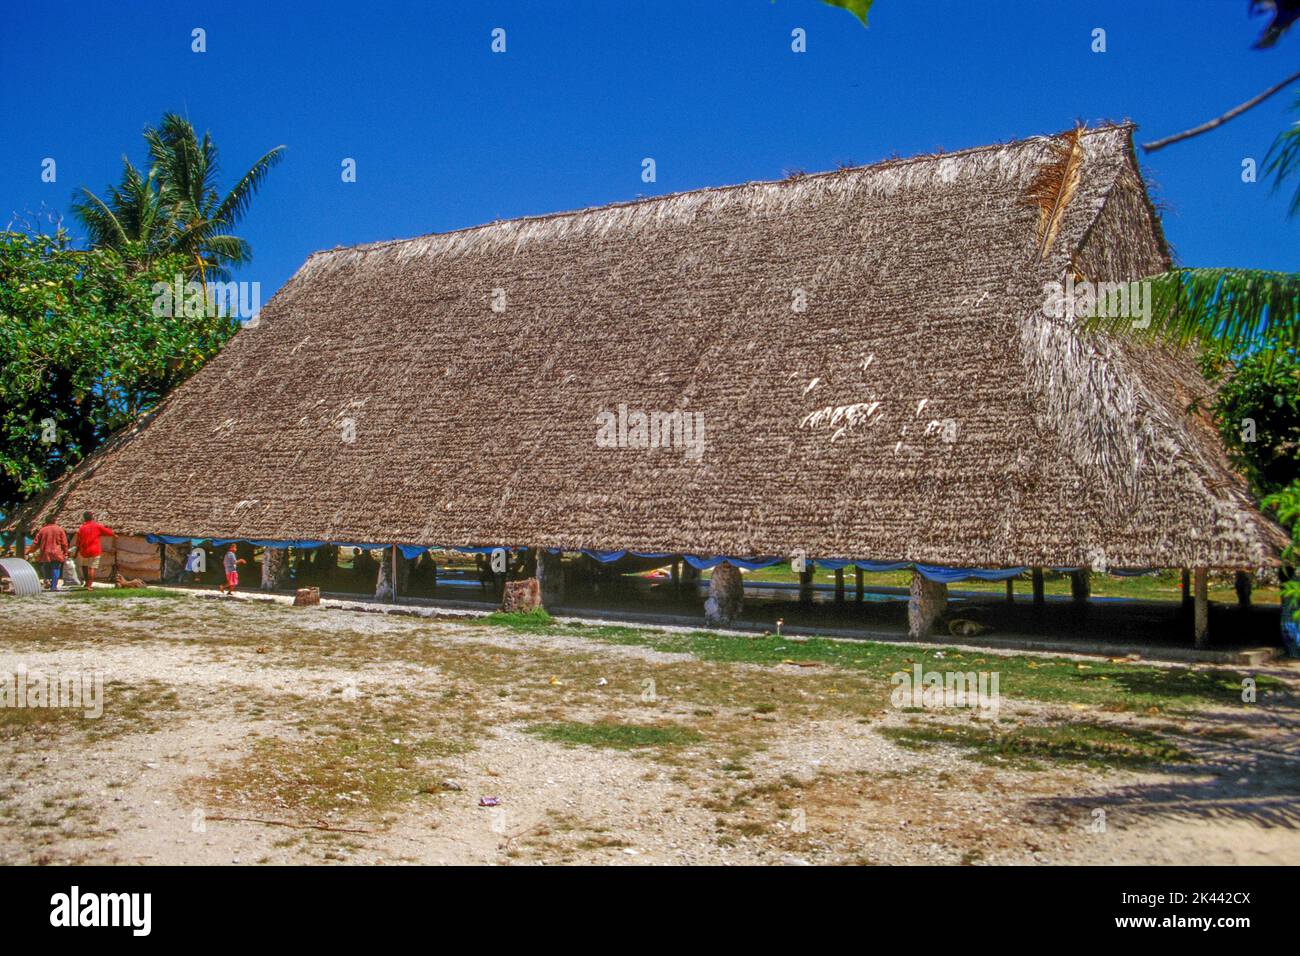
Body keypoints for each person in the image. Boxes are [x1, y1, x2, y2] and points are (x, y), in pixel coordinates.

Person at [72, 512, 114, 590]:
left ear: (84, 518)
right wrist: (114, 535)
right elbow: (109, 532)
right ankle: (89, 585)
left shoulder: (81, 528)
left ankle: (86, 582)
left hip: (84, 551)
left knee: (84, 566)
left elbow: (78, 542)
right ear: (92, 517)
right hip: (94, 551)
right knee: (91, 568)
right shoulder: (97, 526)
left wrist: (76, 553)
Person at [26, 516, 68, 591]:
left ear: (46, 521)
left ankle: (47, 580)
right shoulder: (60, 530)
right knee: (56, 568)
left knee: (45, 568)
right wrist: (65, 552)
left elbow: (36, 543)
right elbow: (64, 543)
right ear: (55, 521)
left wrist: (29, 551)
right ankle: (53, 586)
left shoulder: (42, 530)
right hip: (57, 553)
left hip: (45, 553)